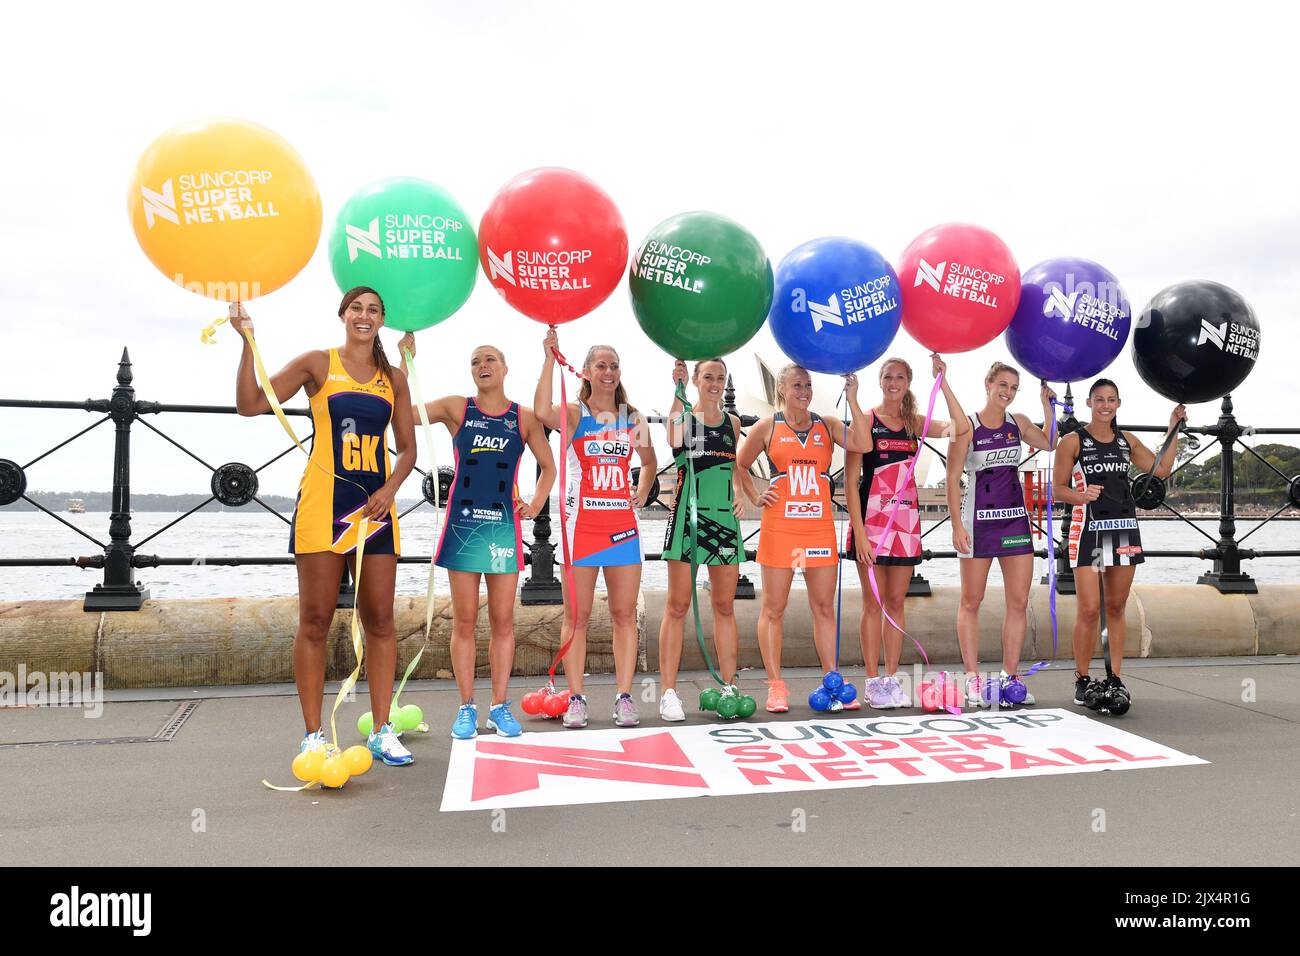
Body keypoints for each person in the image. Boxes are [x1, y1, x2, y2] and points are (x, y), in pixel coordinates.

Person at [232, 288, 416, 766]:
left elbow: (409, 451)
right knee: (314, 621)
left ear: (382, 320)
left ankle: (381, 728)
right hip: (322, 507)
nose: (365, 315)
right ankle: (313, 735)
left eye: (375, 309)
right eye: (357, 307)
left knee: (380, 620)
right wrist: (246, 341)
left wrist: (390, 489)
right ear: (342, 314)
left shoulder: (393, 377)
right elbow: (250, 404)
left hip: (376, 513)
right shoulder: (318, 362)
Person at [399, 338, 556, 740]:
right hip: (463, 526)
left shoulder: (522, 417)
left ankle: (499, 707)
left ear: (505, 368)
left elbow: (548, 467)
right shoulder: (457, 407)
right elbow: (406, 412)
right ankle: (466, 706)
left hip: (502, 526)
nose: (482, 365)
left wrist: (537, 502)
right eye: (475, 361)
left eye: (490, 359)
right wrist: (405, 362)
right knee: (464, 621)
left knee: (503, 621)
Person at [534, 328, 656, 728]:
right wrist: (550, 359)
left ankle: (624, 697)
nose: (608, 372)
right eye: (600, 365)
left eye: (614, 365)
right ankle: (576, 699)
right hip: (580, 529)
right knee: (578, 618)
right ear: (585, 371)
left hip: (623, 528)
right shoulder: (574, 414)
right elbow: (539, 410)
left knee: (624, 615)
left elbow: (650, 462)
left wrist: (640, 491)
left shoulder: (632, 417)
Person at [735, 364, 869, 713]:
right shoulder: (768, 427)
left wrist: (852, 399)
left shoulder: (827, 424)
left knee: (824, 608)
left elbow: (863, 442)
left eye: (808, 385)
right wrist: (753, 495)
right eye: (797, 385)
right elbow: (740, 464)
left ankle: (833, 680)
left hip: (819, 529)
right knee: (773, 608)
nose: (804, 391)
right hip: (781, 529)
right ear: (781, 389)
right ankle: (775, 686)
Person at [1054, 379, 1185, 711]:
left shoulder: (1127, 441)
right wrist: (1078, 495)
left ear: (1119, 403)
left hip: (1124, 528)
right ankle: (1081, 680)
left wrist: (1173, 429)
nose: (1105, 405)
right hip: (1088, 529)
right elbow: (1057, 489)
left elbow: (1162, 468)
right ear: (1089, 402)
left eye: (1111, 399)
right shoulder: (1072, 441)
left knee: (1115, 607)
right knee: (1088, 608)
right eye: (1099, 399)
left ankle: (1115, 677)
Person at [847, 355, 968, 710]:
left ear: (908, 382)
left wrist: (941, 382)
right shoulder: (866, 419)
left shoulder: (915, 422)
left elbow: (960, 427)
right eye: (888, 376)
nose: (893, 382)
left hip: (905, 525)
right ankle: (872, 681)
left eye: (900, 376)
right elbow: (852, 483)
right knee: (873, 603)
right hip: (870, 525)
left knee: (896, 603)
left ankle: (890, 678)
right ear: (880, 380)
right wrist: (859, 533)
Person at [946, 362, 1056, 706]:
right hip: (977, 521)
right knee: (971, 600)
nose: (1007, 393)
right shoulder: (968, 426)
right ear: (988, 384)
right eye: (1002, 385)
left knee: (1019, 601)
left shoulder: (1018, 423)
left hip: (1014, 522)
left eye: (1013, 388)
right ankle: (972, 678)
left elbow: (1050, 442)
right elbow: (952, 479)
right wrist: (956, 525)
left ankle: (1011, 677)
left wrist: (1047, 407)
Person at [657, 358, 745, 721]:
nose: (715, 383)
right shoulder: (684, 419)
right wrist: (676, 390)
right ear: (695, 379)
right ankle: (668, 693)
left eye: (720, 378)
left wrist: (739, 489)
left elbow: (732, 465)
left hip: (724, 520)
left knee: (724, 606)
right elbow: (674, 436)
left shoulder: (734, 423)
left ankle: (729, 684)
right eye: (708, 376)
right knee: (677, 607)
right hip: (688, 522)